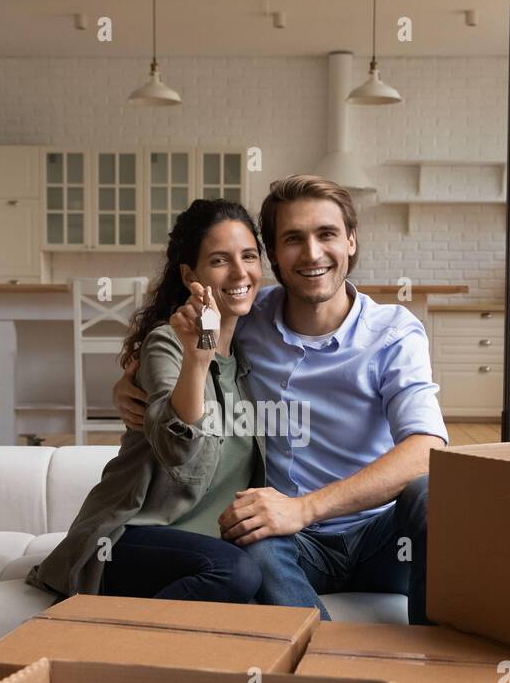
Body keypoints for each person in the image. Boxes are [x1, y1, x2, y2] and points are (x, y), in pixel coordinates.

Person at [114, 175, 447, 622]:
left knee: (434, 494)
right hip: (291, 546)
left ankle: (433, 661)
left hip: (381, 540)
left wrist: (305, 508)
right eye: (293, 239)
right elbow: (182, 346)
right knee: (251, 545)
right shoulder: (247, 316)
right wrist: (128, 382)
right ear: (273, 255)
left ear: (350, 241)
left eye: (326, 234)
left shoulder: (393, 332)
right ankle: (326, 664)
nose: (312, 253)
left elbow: (427, 449)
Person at [28, 199, 267, 603]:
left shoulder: (253, 351)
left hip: (205, 548)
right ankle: (120, 648)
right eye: (220, 261)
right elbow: (179, 450)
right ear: (191, 275)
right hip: (132, 537)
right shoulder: (168, 345)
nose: (240, 272)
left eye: (249, 256)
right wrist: (198, 357)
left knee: (257, 569)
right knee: (236, 572)